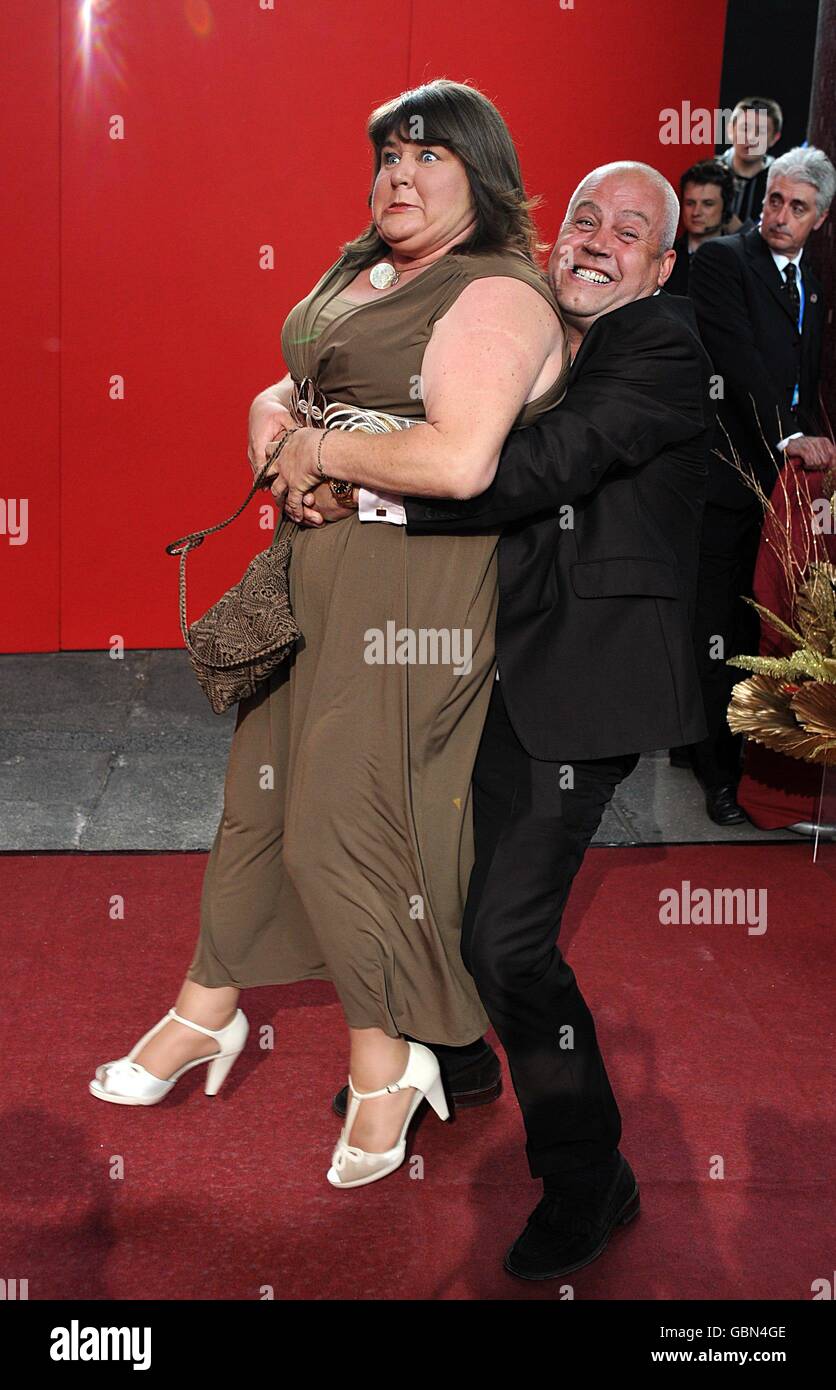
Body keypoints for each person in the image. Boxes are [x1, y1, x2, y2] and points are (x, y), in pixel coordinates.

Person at [89, 79, 570, 1192]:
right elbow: (284, 390)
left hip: (413, 596)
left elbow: (458, 460)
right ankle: (206, 1010)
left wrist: (321, 456)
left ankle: (387, 1057)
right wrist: (280, 450)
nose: (397, 179)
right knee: (259, 804)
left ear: (479, 176)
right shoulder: (362, 270)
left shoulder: (494, 293)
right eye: (386, 159)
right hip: (319, 570)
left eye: (426, 160)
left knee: (341, 831)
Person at [275, 162, 713, 1278]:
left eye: (629, 231)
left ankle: (587, 1171)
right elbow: (386, 386)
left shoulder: (659, 343)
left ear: (660, 265)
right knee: (417, 863)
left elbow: (539, 463)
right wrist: (294, 415)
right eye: (582, 219)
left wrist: (361, 476)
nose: (596, 241)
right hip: (459, 657)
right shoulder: (513, 319)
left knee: (507, 940)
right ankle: (456, 1062)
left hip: (575, 686)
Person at [687, 145, 835, 824]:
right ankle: (715, 773)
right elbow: (740, 363)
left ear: (820, 218)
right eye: (774, 199)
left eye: (797, 207)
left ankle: (756, 761)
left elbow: (801, 379)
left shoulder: (812, 282)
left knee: (768, 624)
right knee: (717, 625)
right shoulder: (721, 260)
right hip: (728, 480)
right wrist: (787, 438)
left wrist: (813, 442)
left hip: (785, 489)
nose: (779, 215)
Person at [664, 158, 737, 297]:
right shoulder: (665, 254)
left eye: (708, 204)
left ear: (726, 208)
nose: (696, 212)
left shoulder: (739, 259)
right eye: (690, 203)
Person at [715, 96, 782, 226]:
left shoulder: (780, 179)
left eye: (761, 131)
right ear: (730, 130)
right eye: (745, 128)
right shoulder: (708, 171)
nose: (751, 138)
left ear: (775, 138)